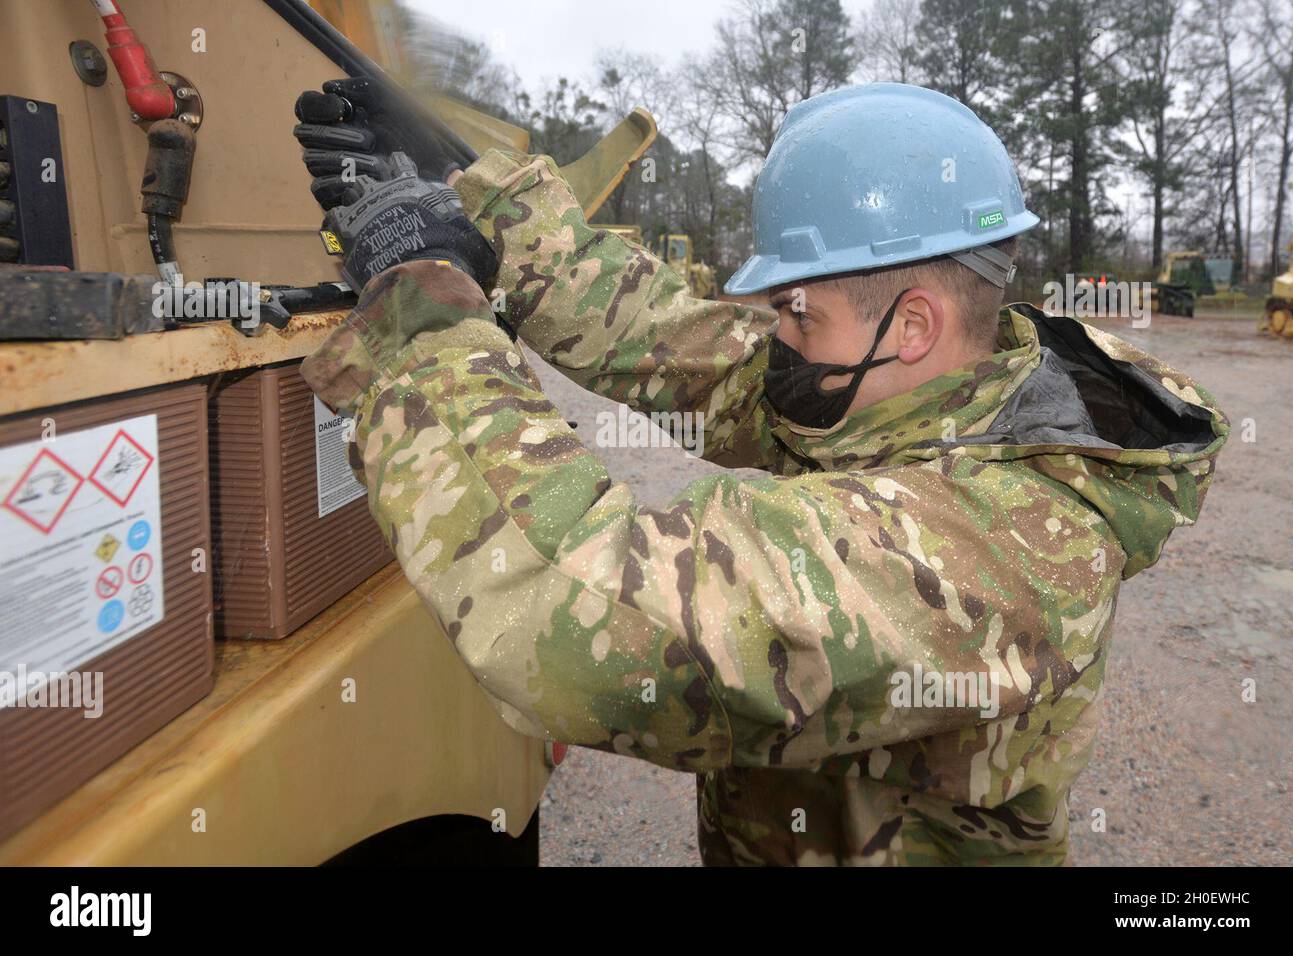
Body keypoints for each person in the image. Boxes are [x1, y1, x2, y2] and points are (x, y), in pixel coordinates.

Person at [291, 81, 1228, 865]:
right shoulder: (906, 392)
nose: (773, 338)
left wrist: (419, 299)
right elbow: (661, 333)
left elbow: (573, 618)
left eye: (795, 312)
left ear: (912, 325)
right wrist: (474, 198)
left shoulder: (997, 548)